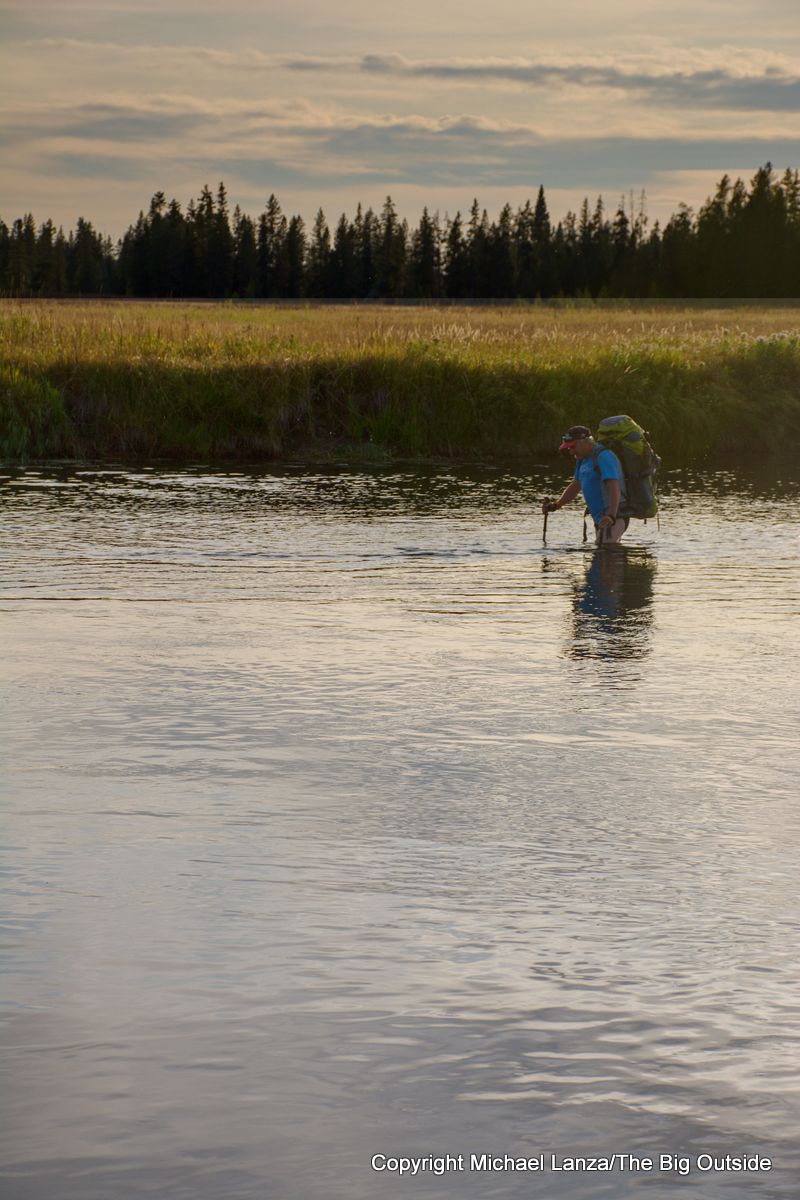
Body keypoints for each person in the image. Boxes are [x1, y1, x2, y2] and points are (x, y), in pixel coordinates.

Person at [542, 424, 629, 544]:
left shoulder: (603, 456)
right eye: (568, 449)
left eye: (572, 447)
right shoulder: (582, 459)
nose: (571, 452)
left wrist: (611, 516)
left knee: (605, 550)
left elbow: (614, 487)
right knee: (603, 554)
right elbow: (576, 485)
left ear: (584, 442)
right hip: (600, 518)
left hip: (615, 516)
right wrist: (556, 505)